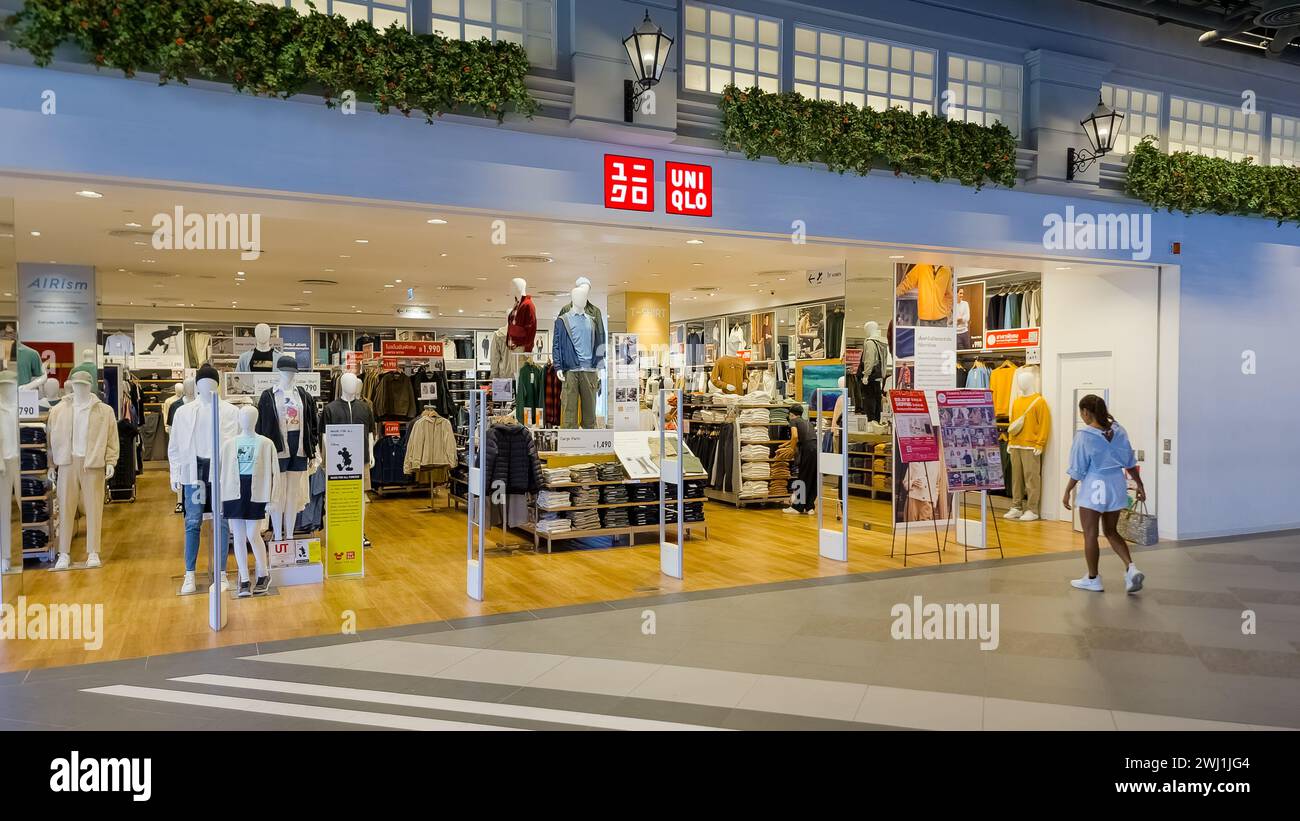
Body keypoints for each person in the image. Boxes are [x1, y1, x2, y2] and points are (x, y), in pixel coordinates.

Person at [1062, 394, 1146, 594]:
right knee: (1111, 531)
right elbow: (1129, 461)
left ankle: (1093, 578)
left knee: (1090, 534)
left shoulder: (1084, 436)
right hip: (1116, 484)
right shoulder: (1119, 430)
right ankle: (1131, 568)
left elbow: (1078, 469)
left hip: (1095, 486)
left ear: (1085, 412)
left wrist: (1067, 490)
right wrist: (1140, 484)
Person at [783, 404, 818, 515]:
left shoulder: (793, 421)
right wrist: (786, 444)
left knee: (803, 477)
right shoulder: (807, 422)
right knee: (812, 478)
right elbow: (803, 436)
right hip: (816, 449)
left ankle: (797, 507)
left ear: (791, 414)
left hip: (807, 450)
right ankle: (809, 507)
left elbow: (795, 436)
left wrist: (791, 449)